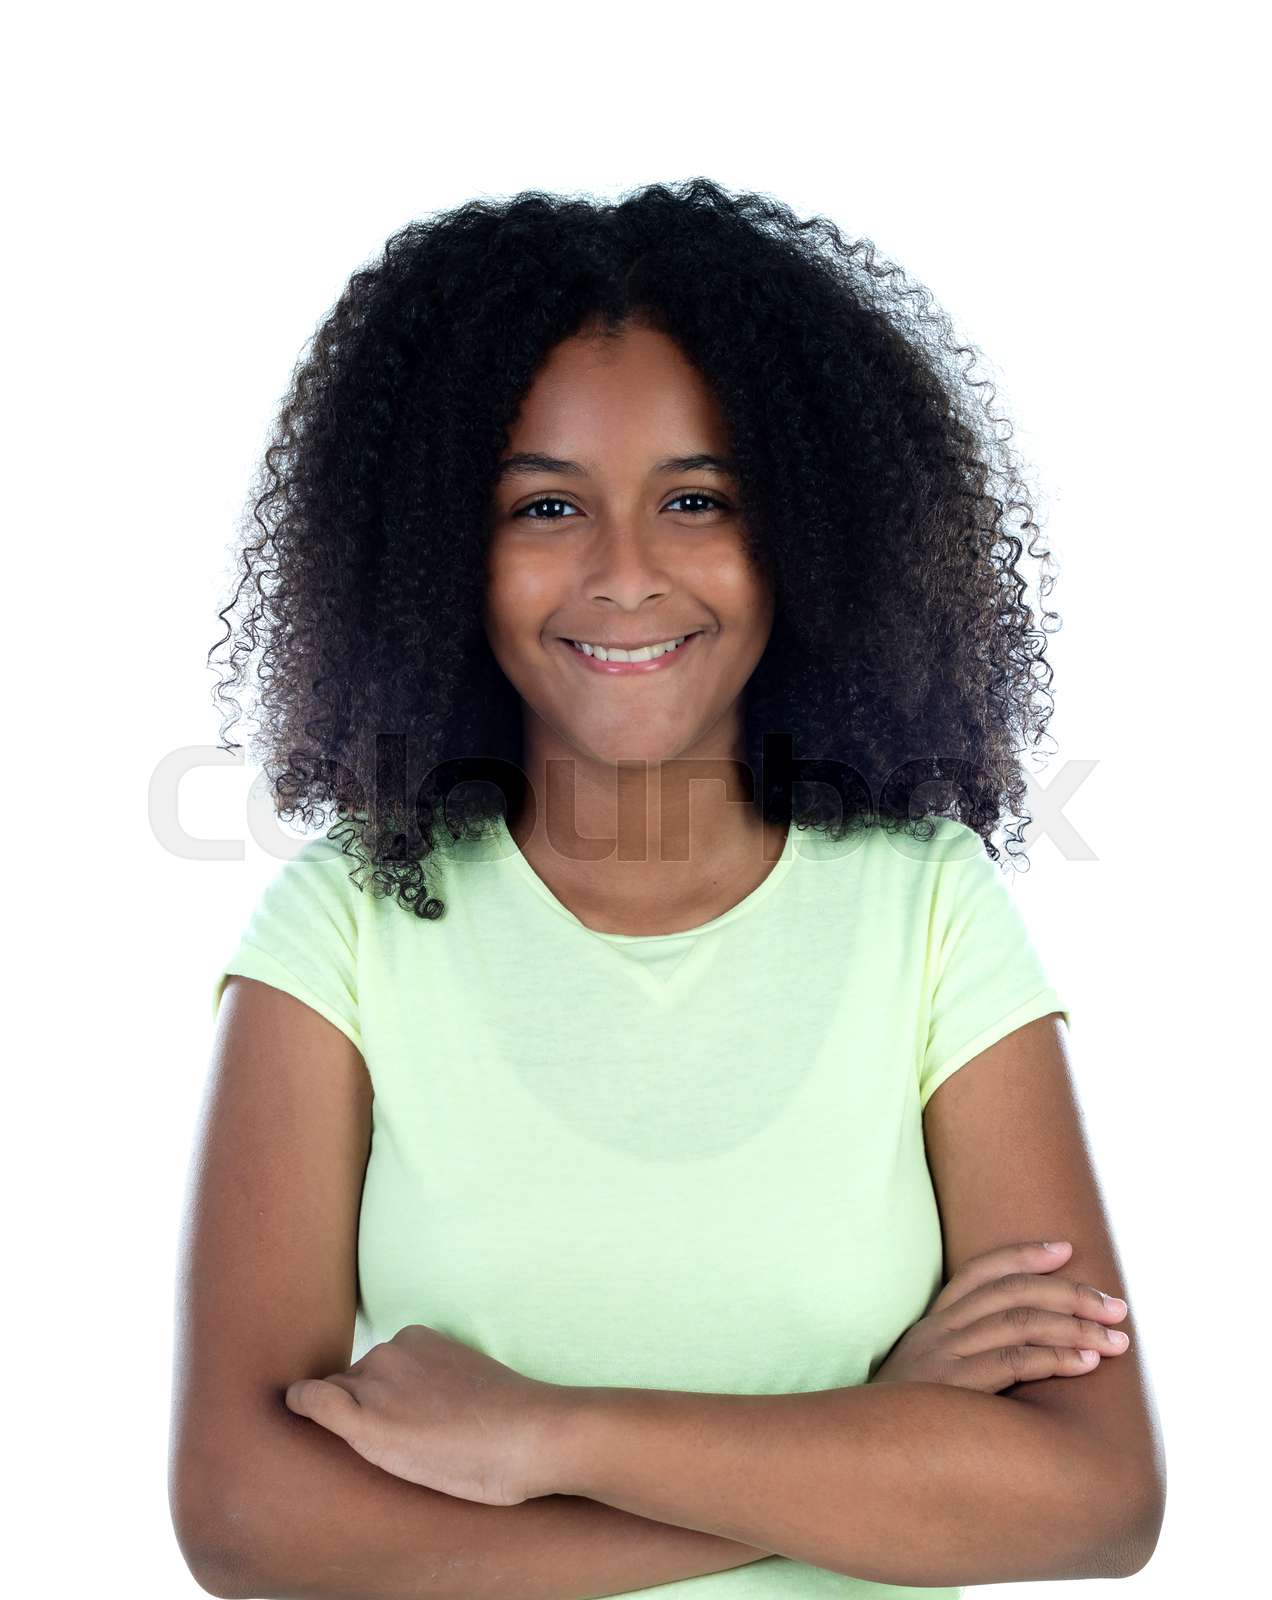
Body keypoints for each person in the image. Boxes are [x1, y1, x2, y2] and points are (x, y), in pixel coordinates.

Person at [171, 178, 1164, 1598]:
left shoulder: (927, 909)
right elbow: (244, 1520)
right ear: (444, 552)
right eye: (546, 506)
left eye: (697, 499)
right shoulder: (345, 926)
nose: (625, 575)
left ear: (806, 536)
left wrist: (544, 1435)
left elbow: (1098, 1502)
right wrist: (871, 1447)